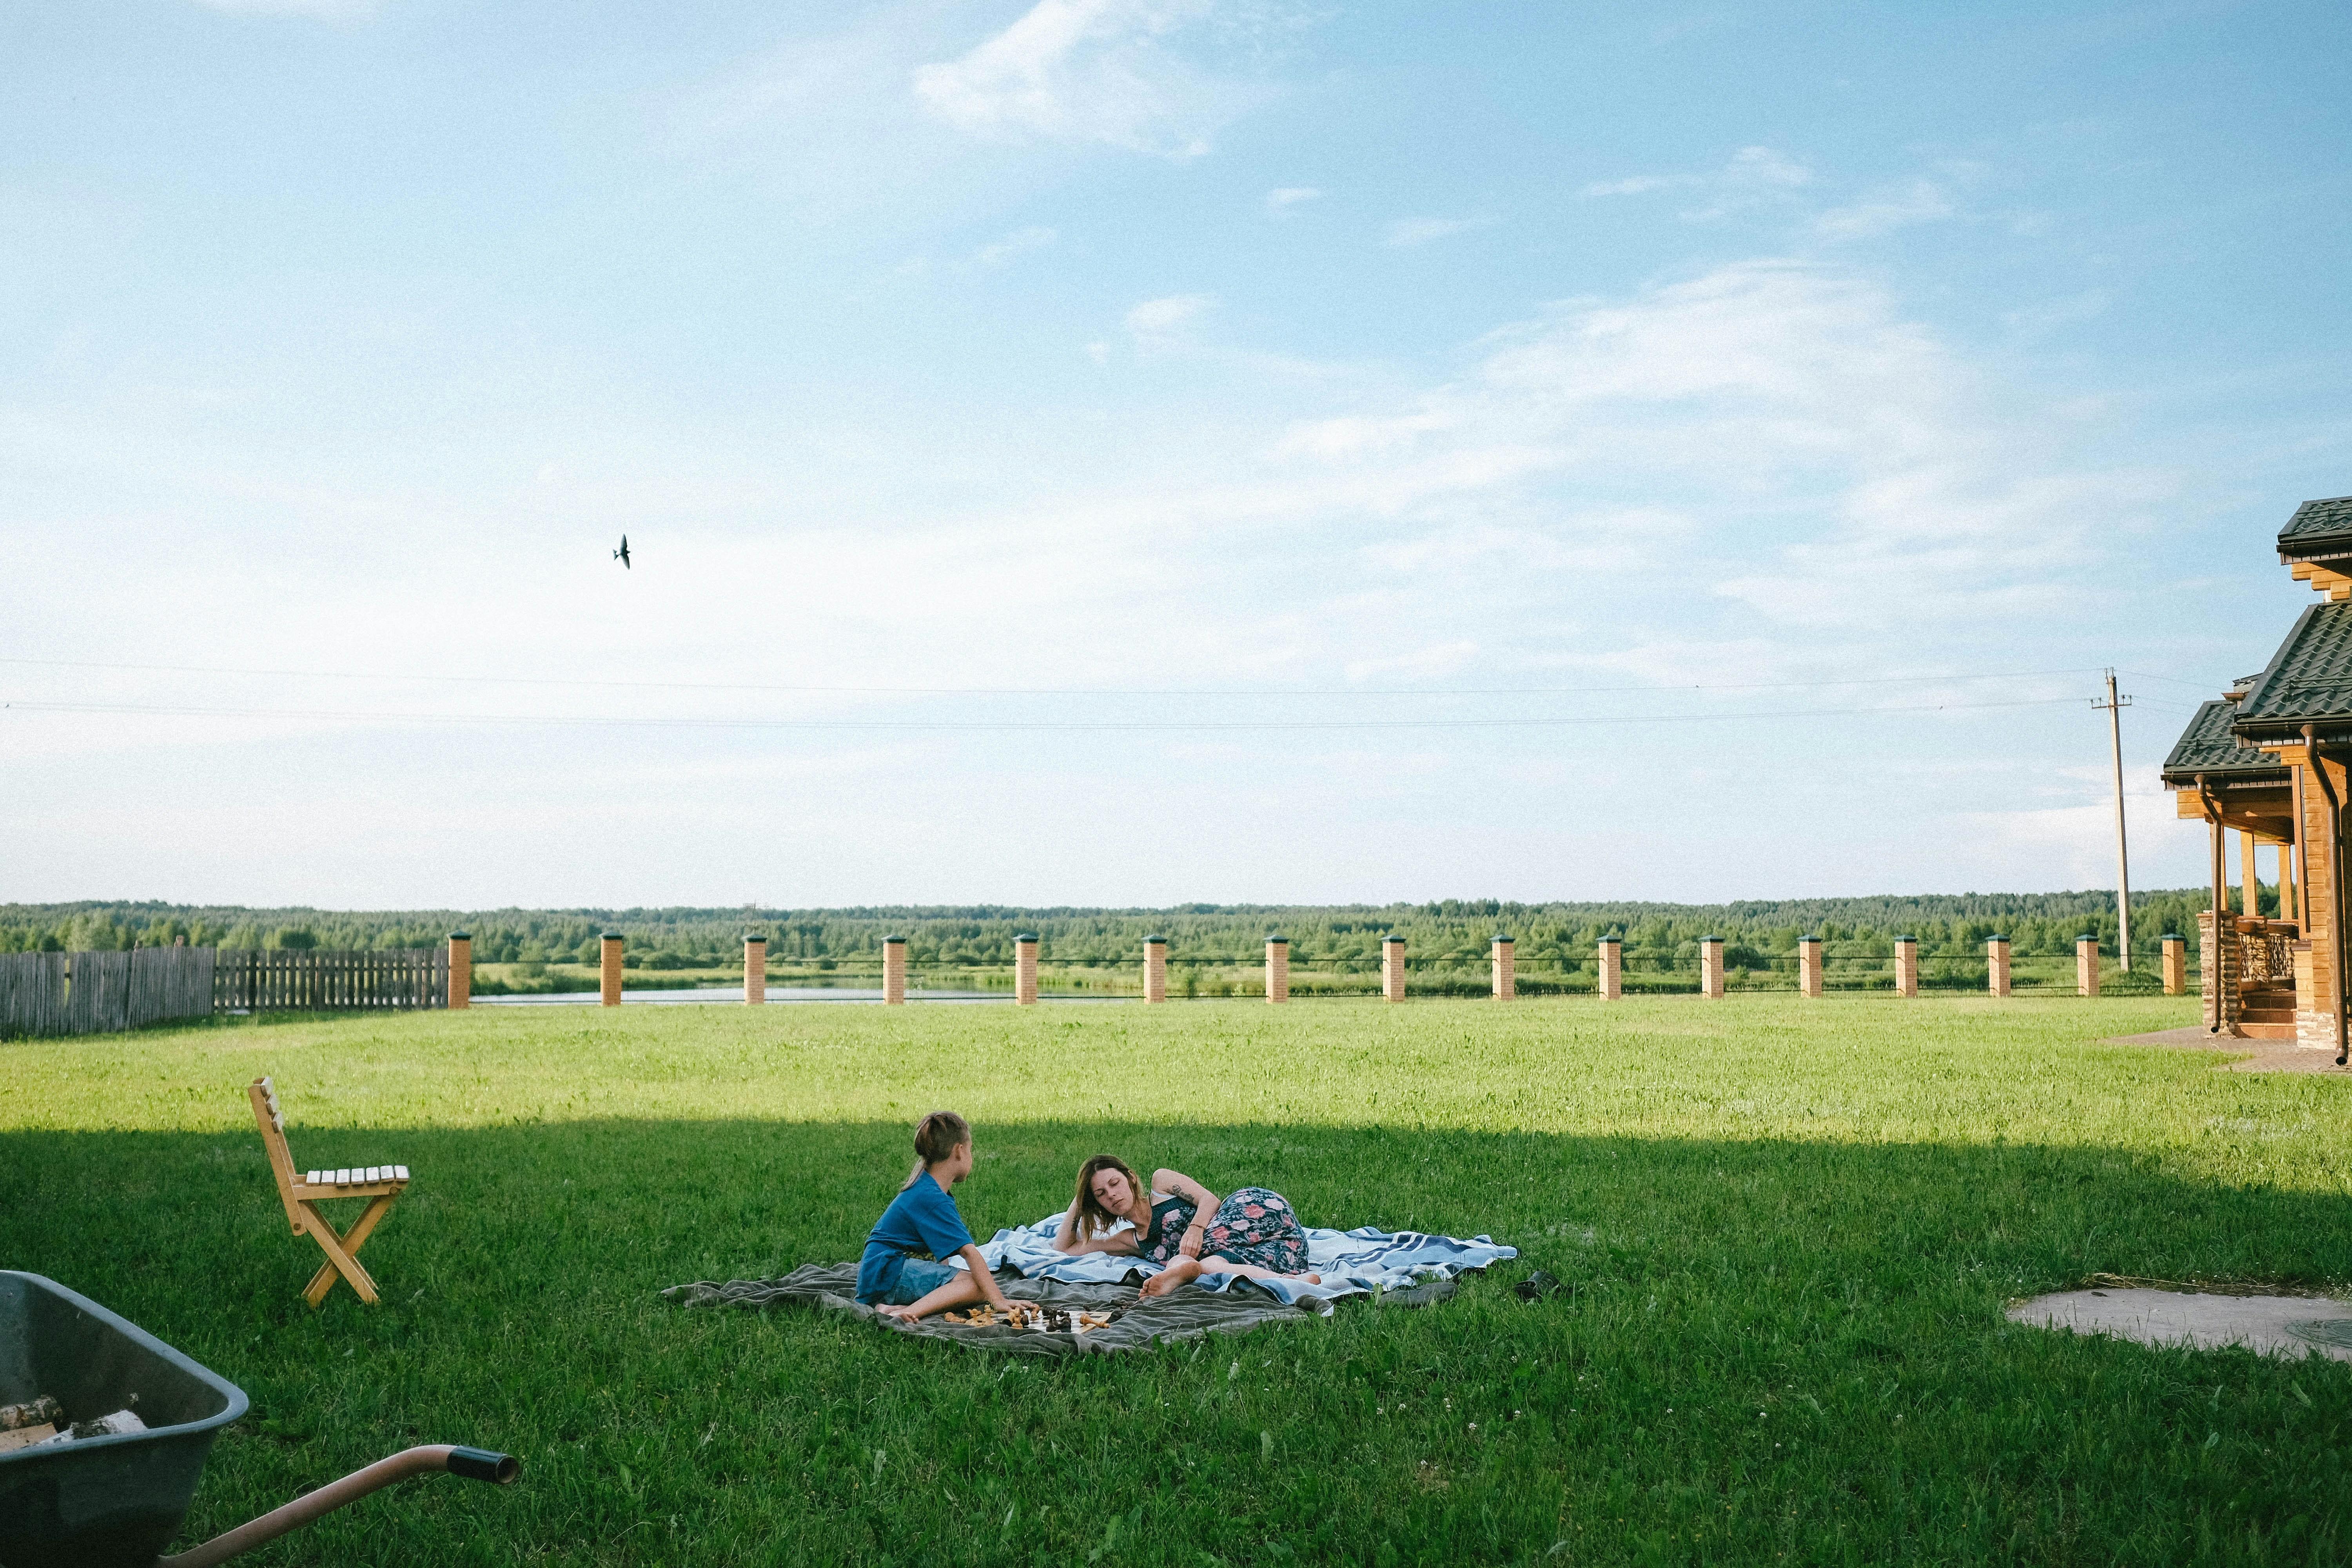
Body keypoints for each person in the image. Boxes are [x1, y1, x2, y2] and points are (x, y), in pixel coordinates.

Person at [1052, 1154, 1319, 1299]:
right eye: (1100, 1194)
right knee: (1207, 1266)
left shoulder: (1162, 1184)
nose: (1111, 1194)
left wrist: (1196, 1228)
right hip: (1267, 1250)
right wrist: (1080, 1201)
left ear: (1131, 1178)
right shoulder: (1129, 1240)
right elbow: (1065, 1248)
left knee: (1199, 1259)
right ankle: (1293, 1282)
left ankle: (1184, 1268)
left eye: (1114, 1183)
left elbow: (1209, 1199)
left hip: (1247, 1214)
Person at [857, 1111, 1016, 1323]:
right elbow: (970, 1253)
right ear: (959, 1151)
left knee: (966, 1287)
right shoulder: (932, 1198)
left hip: (879, 1276)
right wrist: (998, 1300)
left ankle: (895, 1307)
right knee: (976, 1287)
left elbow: (943, 1257)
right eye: (971, 1150)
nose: (971, 1156)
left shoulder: (928, 1187)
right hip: (888, 1273)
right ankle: (904, 1313)